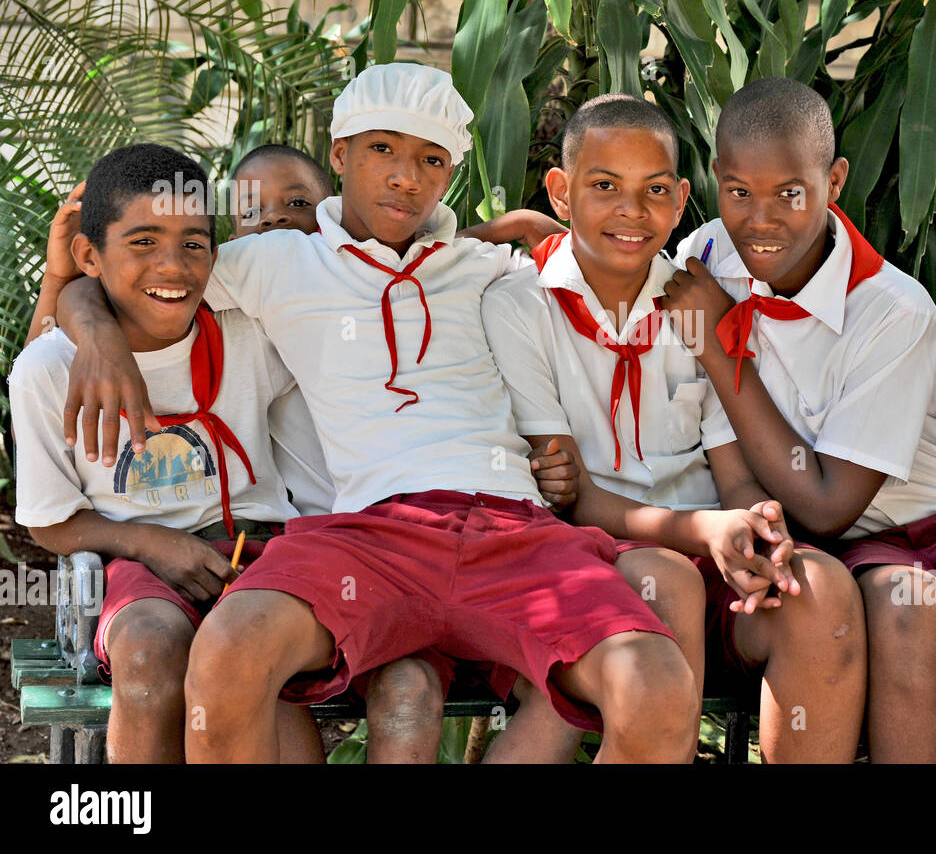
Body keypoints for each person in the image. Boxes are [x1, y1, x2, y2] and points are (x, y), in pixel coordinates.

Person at [55, 63, 699, 763]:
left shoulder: (486, 267)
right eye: (382, 150)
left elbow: (604, 258)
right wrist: (92, 331)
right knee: (231, 646)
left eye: (429, 160)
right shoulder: (279, 263)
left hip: (512, 530)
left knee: (657, 684)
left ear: (449, 173)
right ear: (340, 157)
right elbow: (141, 273)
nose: (405, 177)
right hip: (369, 537)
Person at [662, 78, 936, 762]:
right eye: (740, 191)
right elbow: (733, 460)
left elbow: (830, 503)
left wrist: (718, 350)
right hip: (870, 551)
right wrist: (756, 527)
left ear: (834, 181)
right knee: (905, 610)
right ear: (716, 178)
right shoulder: (703, 269)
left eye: (790, 193)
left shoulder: (895, 309)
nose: (762, 219)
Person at [481, 93, 865, 763]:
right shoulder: (522, 304)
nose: (632, 212)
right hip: (591, 552)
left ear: (683, 195)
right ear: (561, 192)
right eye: (605, 187)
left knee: (818, 586)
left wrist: (755, 522)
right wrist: (704, 531)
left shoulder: (693, 300)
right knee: (668, 580)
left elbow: (734, 471)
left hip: (706, 544)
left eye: (655, 190)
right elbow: (570, 494)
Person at [10, 143, 323, 762]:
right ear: (88, 256)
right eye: (144, 242)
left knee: (255, 654)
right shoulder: (49, 369)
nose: (173, 266)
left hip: (258, 551)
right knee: (152, 651)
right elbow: (48, 523)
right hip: (133, 559)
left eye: (195, 244)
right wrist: (158, 546)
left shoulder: (255, 330)